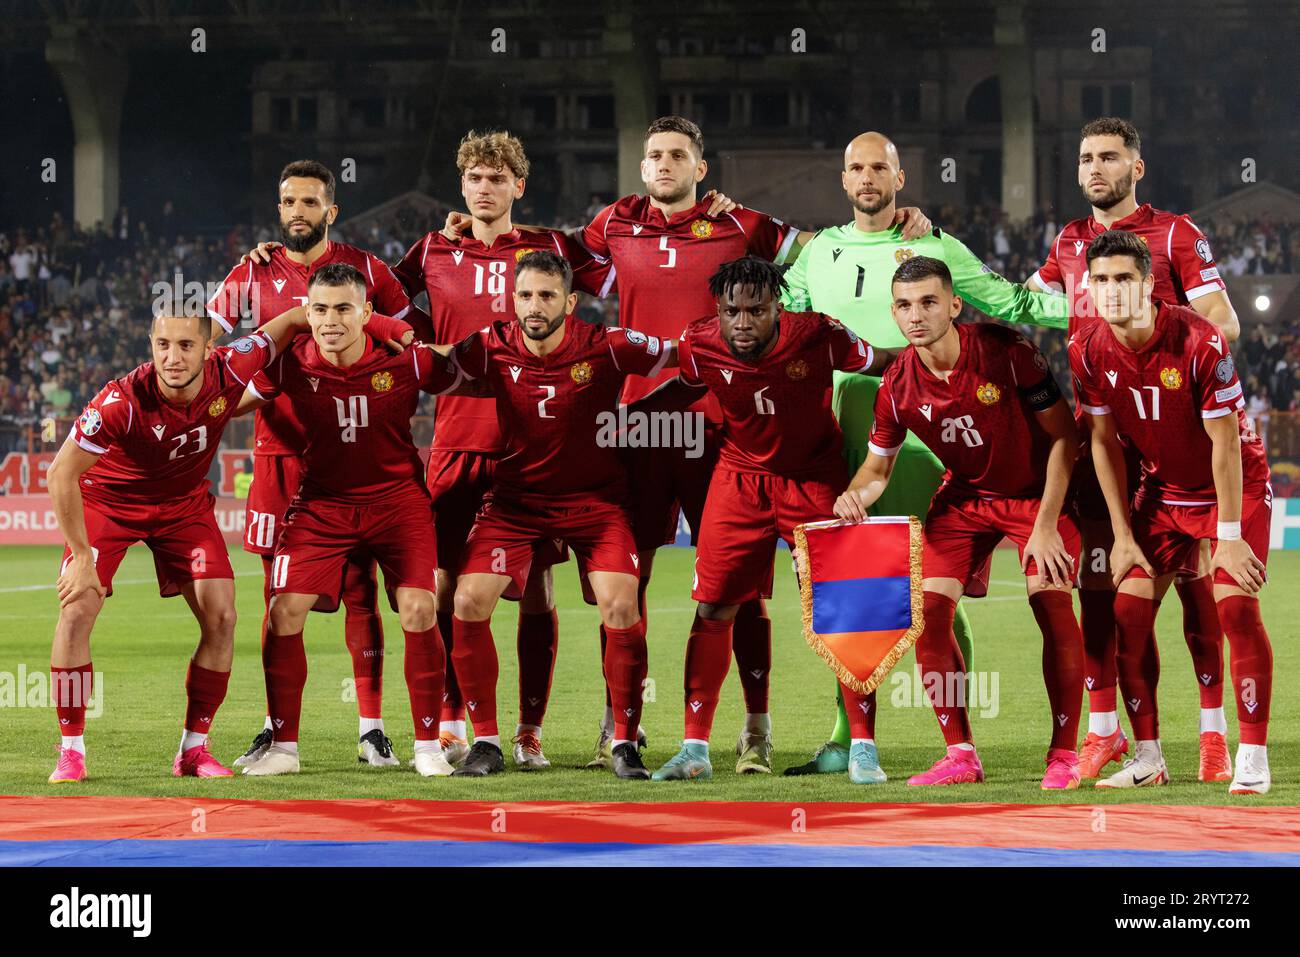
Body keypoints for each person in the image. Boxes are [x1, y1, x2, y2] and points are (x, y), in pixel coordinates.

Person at [779, 130, 1069, 776]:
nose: (867, 178)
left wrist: (1100, 310)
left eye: (879, 166)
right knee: (848, 593)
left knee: (932, 598)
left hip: (922, 441)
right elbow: (775, 325)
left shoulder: (935, 248)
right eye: (855, 167)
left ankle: (957, 744)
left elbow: (1012, 302)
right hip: (842, 442)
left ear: (900, 178)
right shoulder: (818, 253)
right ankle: (850, 737)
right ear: (843, 177)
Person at [1028, 117, 1243, 782]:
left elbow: (1225, 323)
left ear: (1137, 167)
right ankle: (1106, 732)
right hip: (1099, 437)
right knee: (1101, 585)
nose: (1096, 168)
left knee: (1193, 584)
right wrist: (935, 246)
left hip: (1167, 441)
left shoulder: (1177, 234)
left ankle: (1211, 735)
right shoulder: (1068, 242)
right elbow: (1018, 302)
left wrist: (1167, 389)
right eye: (1087, 157)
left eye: (1111, 157)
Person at [392, 130, 611, 769]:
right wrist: (427, 341)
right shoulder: (433, 249)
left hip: (533, 448)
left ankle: (528, 730)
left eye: (497, 179)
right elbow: (375, 299)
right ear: (461, 186)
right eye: (475, 179)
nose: (484, 189)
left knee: (538, 587)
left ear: (518, 185)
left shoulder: (546, 249)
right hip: (457, 440)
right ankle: (459, 723)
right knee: (448, 587)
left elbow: (614, 266)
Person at [635, 256, 891, 782]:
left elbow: (885, 363)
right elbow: (686, 384)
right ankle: (694, 750)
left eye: (756, 310)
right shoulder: (698, 341)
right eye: (732, 311)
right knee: (714, 606)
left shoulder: (820, 336)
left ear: (779, 307)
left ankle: (864, 748)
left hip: (813, 481)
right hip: (738, 481)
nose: (743, 323)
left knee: (844, 611)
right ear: (719, 311)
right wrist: (630, 418)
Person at [835, 256, 1084, 789]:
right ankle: (961, 754)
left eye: (928, 302)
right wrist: (855, 495)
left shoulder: (1007, 351)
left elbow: (1066, 436)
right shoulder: (897, 383)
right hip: (967, 500)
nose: (916, 315)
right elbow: (877, 469)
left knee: (1052, 607)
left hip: (1037, 498)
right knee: (926, 615)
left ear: (954, 304)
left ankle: (1065, 753)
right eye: (904, 305)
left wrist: (1044, 524)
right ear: (894, 314)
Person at [208, 159, 422, 769]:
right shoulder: (252, 271)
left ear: (331, 211)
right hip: (280, 456)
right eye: (287, 202)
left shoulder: (368, 269)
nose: (296, 211)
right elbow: (215, 346)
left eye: (309, 202)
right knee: (278, 597)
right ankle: (276, 731)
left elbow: (408, 339)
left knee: (362, 591)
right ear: (279, 209)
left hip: (355, 454)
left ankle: (372, 729)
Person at [45, 304, 310, 783]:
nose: (172, 357)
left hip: (183, 507)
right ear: (151, 345)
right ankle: (71, 750)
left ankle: (193, 750)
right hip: (110, 503)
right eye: (163, 345)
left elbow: (294, 319)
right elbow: (60, 472)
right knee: (77, 606)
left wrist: (371, 324)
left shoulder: (232, 367)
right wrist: (82, 556)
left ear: (209, 350)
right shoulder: (119, 401)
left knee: (223, 615)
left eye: (186, 345)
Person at [444, 250, 672, 780]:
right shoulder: (489, 347)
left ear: (569, 301)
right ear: (511, 299)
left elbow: (688, 354)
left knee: (620, 604)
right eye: (525, 294)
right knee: (469, 599)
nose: (534, 305)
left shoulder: (608, 346)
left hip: (597, 503)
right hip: (516, 504)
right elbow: (426, 362)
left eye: (547, 294)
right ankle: (485, 743)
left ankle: (623, 742)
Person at [235, 264, 469, 778]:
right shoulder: (288, 364)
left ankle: (428, 746)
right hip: (322, 504)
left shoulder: (405, 360)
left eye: (344, 308)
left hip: (398, 502)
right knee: (283, 612)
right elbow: (229, 383)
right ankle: (283, 748)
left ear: (366, 312)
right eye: (319, 309)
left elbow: (465, 368)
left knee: (418, 608)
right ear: (305, 313)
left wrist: (397, 330)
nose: (331, 320)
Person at [1068, 229, 1273, 794]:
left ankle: (1252, 755)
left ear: (1149, 283)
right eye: (1101, 280)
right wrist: (1121, 534)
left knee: (1235, 612)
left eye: (1123, 279)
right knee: (1126, 618)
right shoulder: (1085, 349)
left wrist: (1227, 535)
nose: (1111, 291)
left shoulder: (1199, 340)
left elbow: (1227, 444)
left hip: (1233, 488)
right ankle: (1149, 757)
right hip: (1162, 497)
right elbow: (1104, 443)